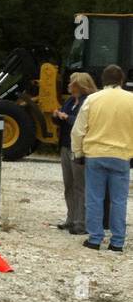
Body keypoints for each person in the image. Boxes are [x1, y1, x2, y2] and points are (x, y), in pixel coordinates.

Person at [71, 63, 133, 251]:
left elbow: (78, 130)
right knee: (119, 199)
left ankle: (95, 238)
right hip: (122, 155)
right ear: (121, 80)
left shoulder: (92, 99)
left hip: (95, 155)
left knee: (94, 197)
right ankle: (117, 241)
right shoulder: (131, 99)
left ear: (102, 80)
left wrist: (78, 153)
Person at [53, 71, 97, 234]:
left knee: (80, 186)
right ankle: (70, 218)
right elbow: (64, 121)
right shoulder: (70, 100)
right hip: (65, 145)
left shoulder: (87, 102)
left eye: (71, 83)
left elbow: (83, 124)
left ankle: (81, 222)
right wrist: (57, 116)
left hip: (78, 148)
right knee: (68, 184)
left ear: (79, 86)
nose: (68, 85)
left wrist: (66, 118)